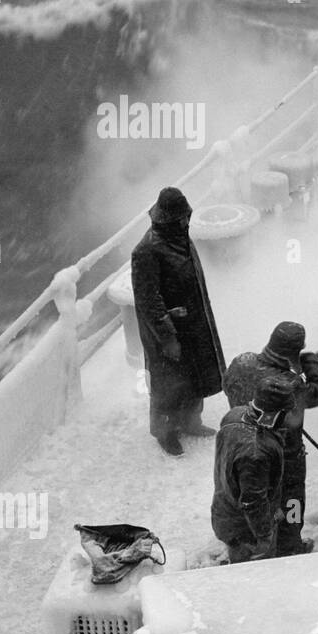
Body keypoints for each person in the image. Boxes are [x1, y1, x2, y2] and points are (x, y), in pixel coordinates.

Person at [131, 187, 225, 457]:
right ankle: (165, 432)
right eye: (181, 218)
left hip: (193, 323)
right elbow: (148, 302)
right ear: (167, 219)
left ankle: (190, 421)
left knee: (194, 373)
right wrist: (167, 336)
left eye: (187, 216)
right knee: (168, 382)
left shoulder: (181, 239)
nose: (186, 222)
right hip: (168, 332)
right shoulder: (146, 251)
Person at [223, 322, 318, 556]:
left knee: (250, 495)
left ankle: (252, 540)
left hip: (241, 441)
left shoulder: (241, 363)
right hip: (285, 455)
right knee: (292, 500)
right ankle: (290, 543)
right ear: (294, 352)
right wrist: (311, 363)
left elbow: (227, 385)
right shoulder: (288, 385)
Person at [211, 373, 298, 564]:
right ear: (273, 415)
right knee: (254, 571)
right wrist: (265, 536)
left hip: (225, 509)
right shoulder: (256, 453)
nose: (290, 416)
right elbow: (253, 501)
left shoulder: (235, 415)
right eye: (286, 412)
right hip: (245, 529)